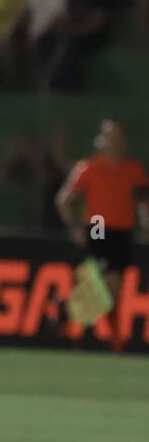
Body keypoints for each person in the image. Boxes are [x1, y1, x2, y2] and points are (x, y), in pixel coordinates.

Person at [55, 120, 149, 351]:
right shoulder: (89, 168)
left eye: (117, 137)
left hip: (123, 232)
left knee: (112, 289)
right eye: (110, 137)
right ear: (102, 140)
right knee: (108, 282)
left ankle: (70, 311)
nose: (114, 142)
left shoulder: (134, 170)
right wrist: (76, 229)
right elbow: (64, 201)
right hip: (98, 228)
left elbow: (143, 200)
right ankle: (112, 336)